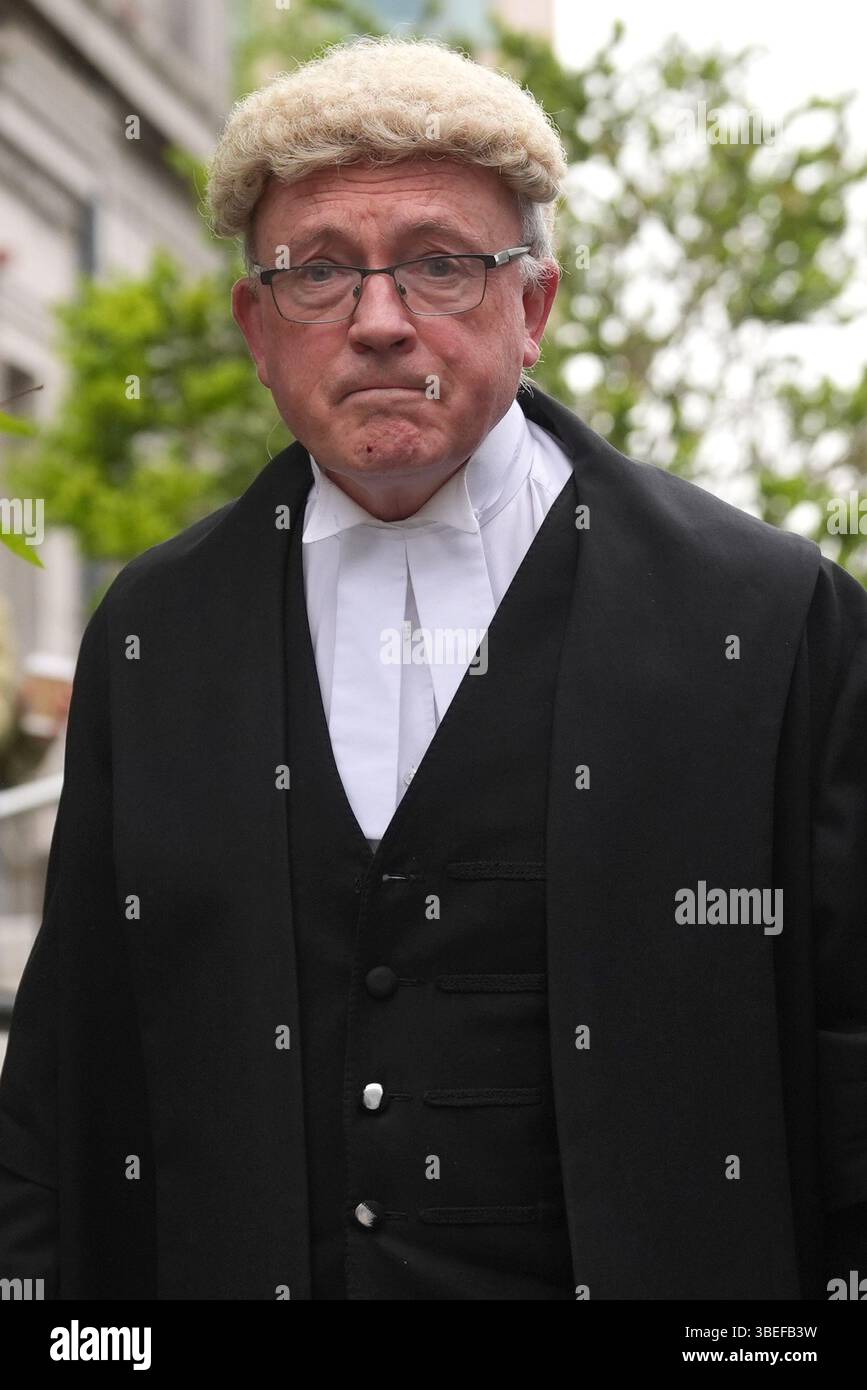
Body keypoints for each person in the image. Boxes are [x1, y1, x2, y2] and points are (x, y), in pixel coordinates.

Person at [0, 34, 865, 1301]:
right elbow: (67, 1077)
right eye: (318, 274)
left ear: (535, 308)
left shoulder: (772, 617)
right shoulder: (155, 631)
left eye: (442, 265)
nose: (381, 321)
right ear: (256, 322)